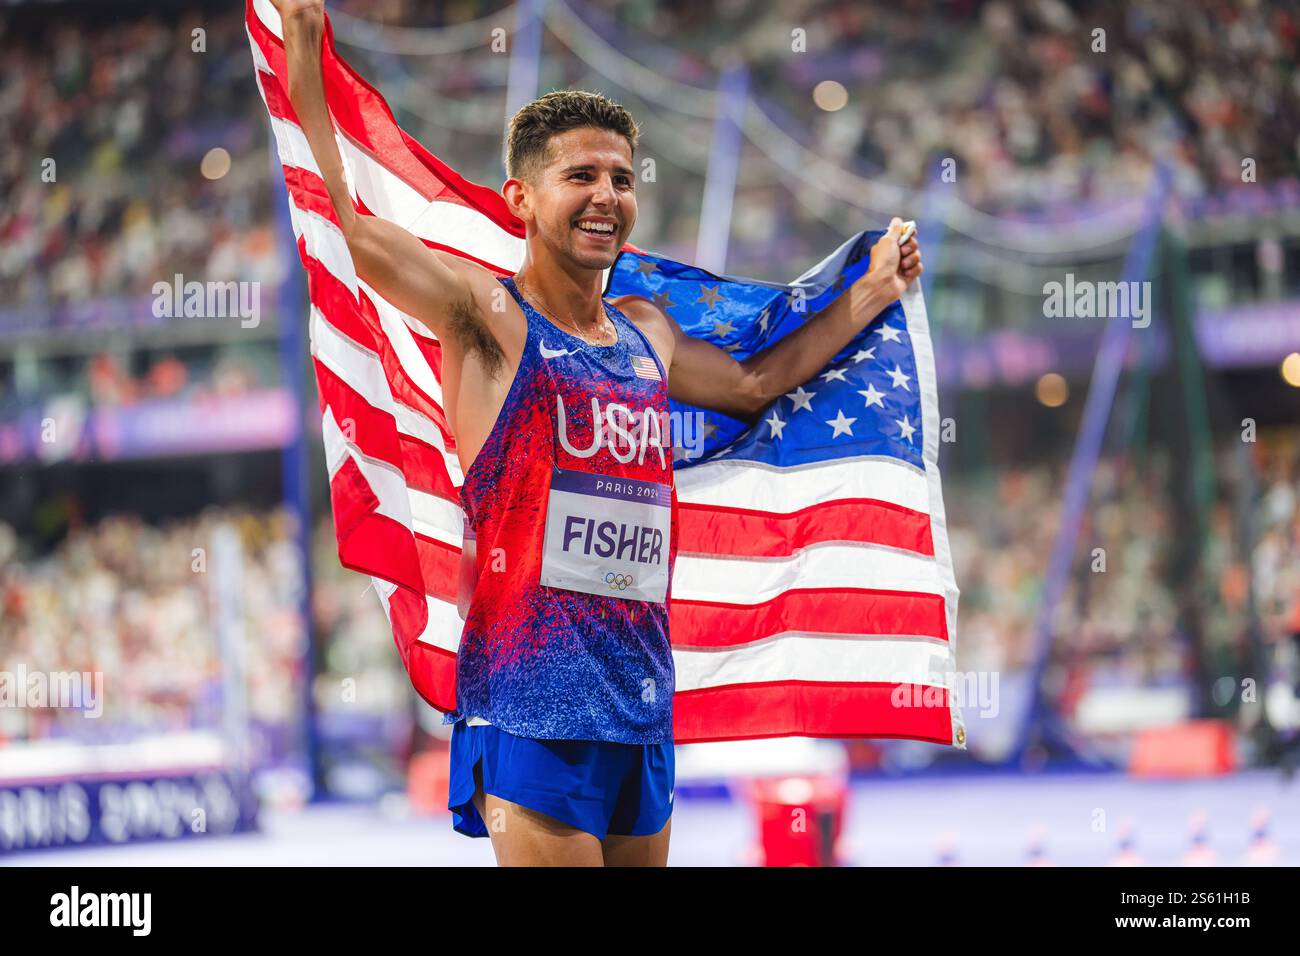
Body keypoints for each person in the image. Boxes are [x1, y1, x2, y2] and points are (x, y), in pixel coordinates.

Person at [272, 0, 922, 866]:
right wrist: (306, 61)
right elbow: (355, 232)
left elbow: (755, 383)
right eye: (580, 176)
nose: (607, 195)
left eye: (621, 177)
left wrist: (871, 293)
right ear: (522, 198)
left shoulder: (646, 331)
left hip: (641, 703)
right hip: (531, 704)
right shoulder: (489, 317)